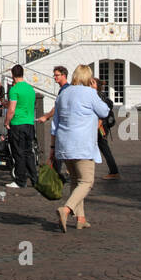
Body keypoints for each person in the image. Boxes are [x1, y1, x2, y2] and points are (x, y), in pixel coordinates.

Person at [52, 65, 110, 232]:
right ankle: (67, 209)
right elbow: (104, 111)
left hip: (64, 143)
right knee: (86, 181)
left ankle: (81, 218)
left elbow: (55, 122)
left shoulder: (64, 93)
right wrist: (94, 90)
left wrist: (52, 147)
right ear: (89, 78)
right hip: (82, 144)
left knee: (76, 181)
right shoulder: (89, 93)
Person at [3, 65, 38, 189]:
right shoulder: (30, 89)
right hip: (29, 123)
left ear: (12, 75)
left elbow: (12, 109)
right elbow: (25, 105)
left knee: (18, 153)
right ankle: (35, 179)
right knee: (29, 152)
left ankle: (20, 180)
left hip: (18, 124)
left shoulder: (14, 89)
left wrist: (7, 122)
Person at [37, 66, 71, 180]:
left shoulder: (66, 89)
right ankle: (57, 175)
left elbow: (57, 107)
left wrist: (46, 116)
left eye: (57, 75)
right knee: (59, 152)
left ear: (64, 75)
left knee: (60, 151)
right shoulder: (64, 89)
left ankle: (57, 175)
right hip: (61, 125)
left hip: (62, 126)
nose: (55, 77)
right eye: (54, 75)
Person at [92, 76, 120, 178]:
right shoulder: (99, 95)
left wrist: (97, 125)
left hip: (100, 128)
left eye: (92, 83)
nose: (90, 85)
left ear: (97, 86)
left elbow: (102, 113)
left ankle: (114, 172)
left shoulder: (98, 96)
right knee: (103, 149)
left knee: (104, 149)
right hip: (99, 127)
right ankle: (114, 171)